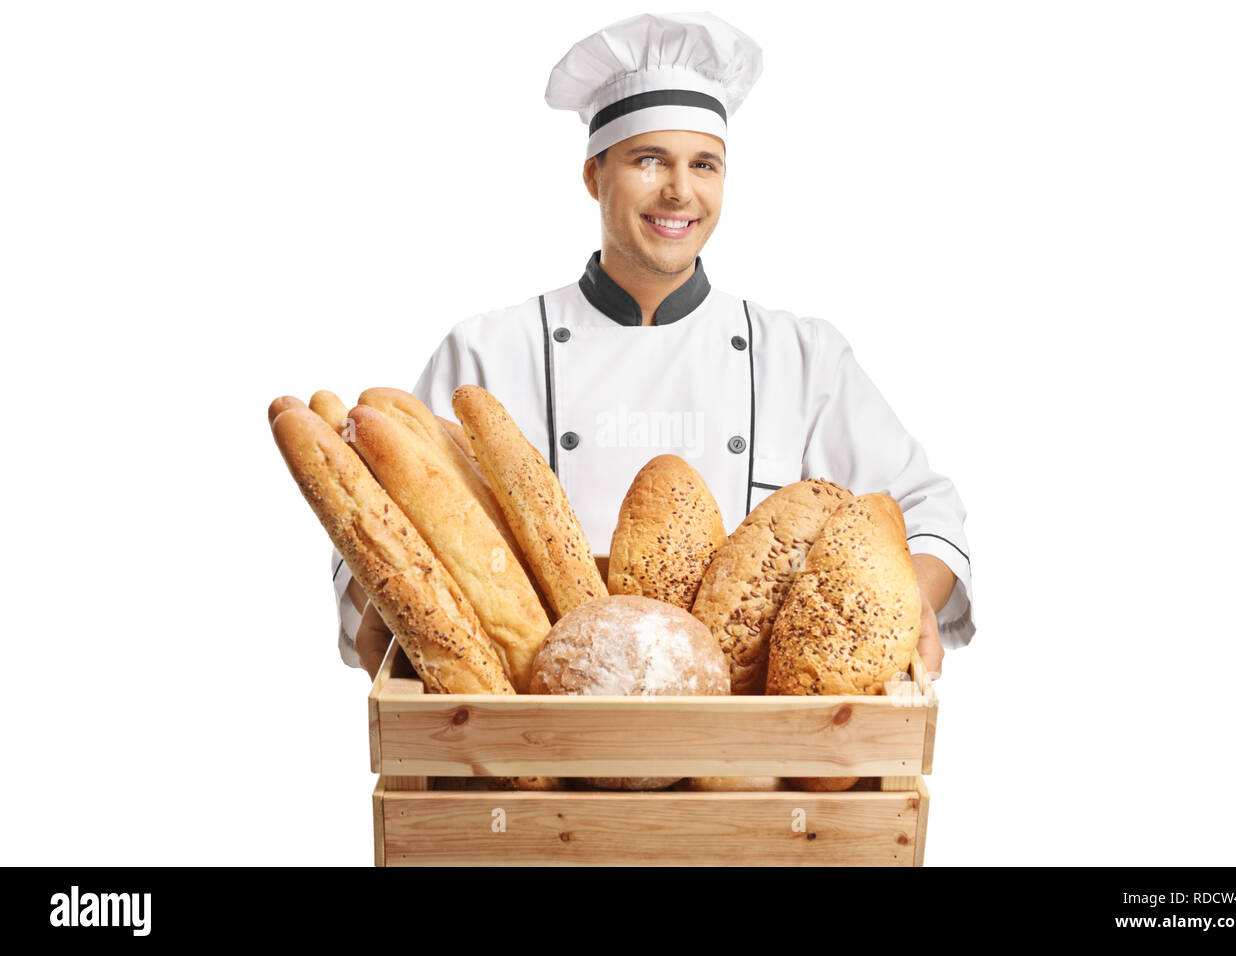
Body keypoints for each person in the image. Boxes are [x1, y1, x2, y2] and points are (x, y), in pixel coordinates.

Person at [332, 12, 975, 681]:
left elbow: (929, 511)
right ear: (593, 174)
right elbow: (378, 528)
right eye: (650, 160)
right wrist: (384, 604)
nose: (680, 191)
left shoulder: (800, 356)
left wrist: (912, 606)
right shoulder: (489, 351)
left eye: (705, 165)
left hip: (749, 748)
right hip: (535, 729)